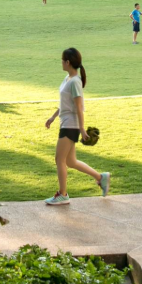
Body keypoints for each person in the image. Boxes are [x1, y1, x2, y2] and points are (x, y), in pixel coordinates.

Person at [43, 47, 109, 205]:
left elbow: (79, 107)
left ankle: (63, 194)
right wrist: (53, 117)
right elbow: (66, 103)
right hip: (66, 123)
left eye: (62, 60)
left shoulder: (75, 82)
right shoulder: (68, 79)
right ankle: (101, 178)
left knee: (59, 159)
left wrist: (81, 128)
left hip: (71, 126)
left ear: (68, 62)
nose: (61, 63)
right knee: (71, 162)